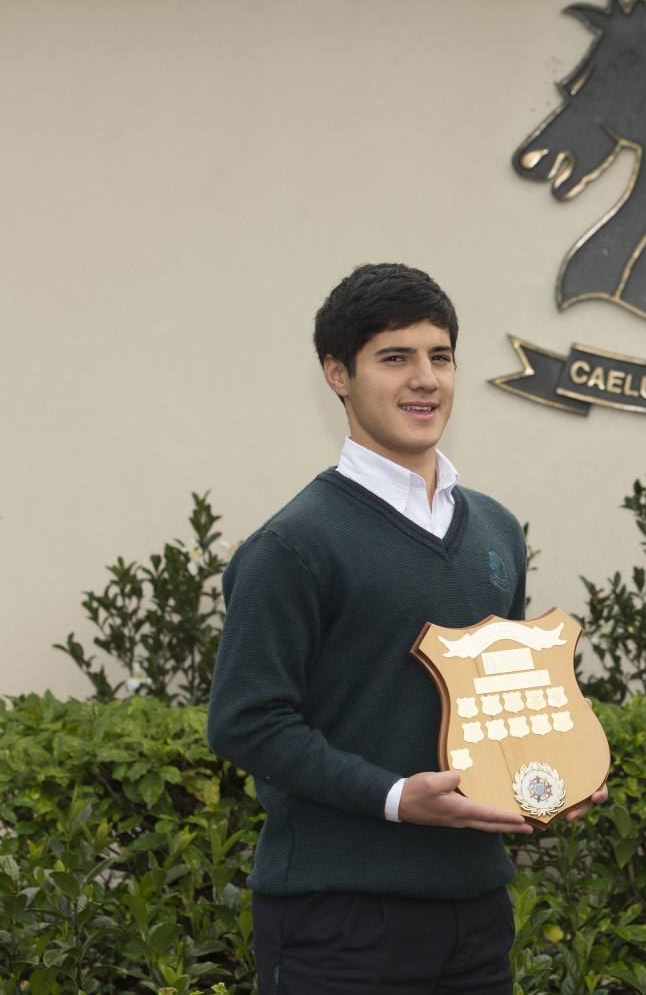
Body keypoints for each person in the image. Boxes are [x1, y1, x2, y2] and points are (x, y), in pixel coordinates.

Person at [207, 263, 604, 995]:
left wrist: (549, 778)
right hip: (341, 917)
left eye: (440, 356)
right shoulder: (293, 545)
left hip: (476, 912)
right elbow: (245, 722)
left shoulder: (495, 529)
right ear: (338, 374)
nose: (425, 379)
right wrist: (394, 796)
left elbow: (494, 703)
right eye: (395, 358)